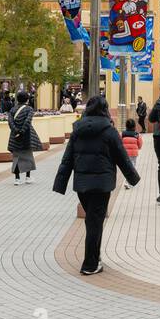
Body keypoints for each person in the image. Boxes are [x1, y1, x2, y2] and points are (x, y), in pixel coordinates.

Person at [53, 96, 140, 274]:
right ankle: (90, 264)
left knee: (92, 221)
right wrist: (133, 179)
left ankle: (95, 257)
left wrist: (60, 183)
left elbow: (67, 158)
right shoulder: (109, 131)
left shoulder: (78, 129)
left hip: (82, 185)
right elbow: (122, 157)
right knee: (94, 222)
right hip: (102, 184)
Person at [8, 90, 42, 185]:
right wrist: (22, 132)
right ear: (27, 99)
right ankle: (28, 177)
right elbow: (28, 122)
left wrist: (16, 131)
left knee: (16, 157)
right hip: (26, 136)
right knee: (28, 156)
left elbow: (10, 123)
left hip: (14, 136)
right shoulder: (29, 109)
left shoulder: (12, 110)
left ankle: (17, 179)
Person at [120, 118, 142, 188]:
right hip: (134, 154)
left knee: (127, 167)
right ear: (134, 126)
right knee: (132, 167)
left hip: (125, 154)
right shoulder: (137, 135)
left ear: (126, 126)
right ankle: (128, 182)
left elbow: (119, 143)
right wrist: (137, 148)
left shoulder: (123, 134)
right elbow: (140, 144)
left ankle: (128, 182)